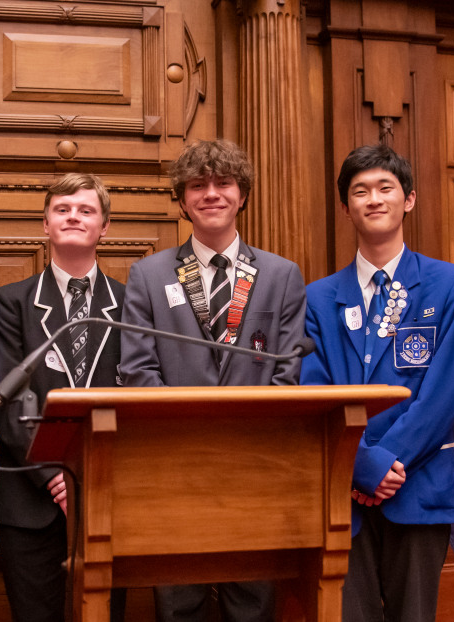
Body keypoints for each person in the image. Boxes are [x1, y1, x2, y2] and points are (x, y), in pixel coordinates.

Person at [119, 139, 306, 622]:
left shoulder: (282, 275)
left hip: (256, 470)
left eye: (223, 183)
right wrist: (194, 439)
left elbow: (286, 373)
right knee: (179, 607)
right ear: (182, 200)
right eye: (197, 185)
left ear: (242, 193)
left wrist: (239, 443)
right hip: (174, 469)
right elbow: (138, 372)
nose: (211, 194)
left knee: (254, 607)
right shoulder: (147, 273)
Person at [300, 144, 454, 622]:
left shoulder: (448, 284)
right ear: (345, 207)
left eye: (385, 188)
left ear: (409, 199)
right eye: (360, 191)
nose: (373, 199)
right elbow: (313, 391)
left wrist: (388, 462)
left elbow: (448, 390)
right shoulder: (317, 298)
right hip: (342, 488)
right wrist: (360, 463)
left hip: (417, 485)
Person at [0, 172, 128, 622]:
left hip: (110, 494)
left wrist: (90, 477)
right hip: (31, 501)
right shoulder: (11, 301)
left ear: (104, 226)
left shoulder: (131, 304)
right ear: (45, 224)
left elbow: (138, 393)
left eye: (86, 210)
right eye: (62, 209)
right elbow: (12, 402)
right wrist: (54, 475)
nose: (74, 217)